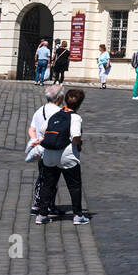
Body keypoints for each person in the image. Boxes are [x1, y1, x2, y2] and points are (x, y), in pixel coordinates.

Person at [34, 87, 89, 225]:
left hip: (49, 154)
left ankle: (42, 215)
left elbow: (41, 131)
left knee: (48, 184)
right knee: (74, 185)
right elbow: (75, 136)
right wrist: (79, 144)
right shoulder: (75, 117)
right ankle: (78, 215)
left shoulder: (56, 114)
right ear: (79, 104)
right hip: (67, 155)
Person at [27, 86, 65, 215]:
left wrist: (35, 141)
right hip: (53, 149)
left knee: (42, 177)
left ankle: (37, 204)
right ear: (59, 98)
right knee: (52, 179)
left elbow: (31, 130)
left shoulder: (40, 110)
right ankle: (48, 205)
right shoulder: (60, 112)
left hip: (40, 149)